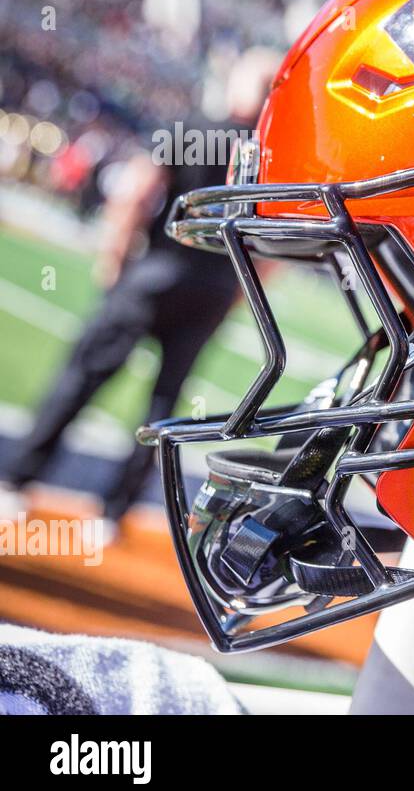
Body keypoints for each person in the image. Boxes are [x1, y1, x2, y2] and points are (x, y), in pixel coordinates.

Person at [0, 49, 277, 534]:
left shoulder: (192, 128)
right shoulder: (269, 158)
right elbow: (271, 243)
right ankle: (113, 510)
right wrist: (237, 294)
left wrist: (115, 257)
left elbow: (135, 191)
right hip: (213, 287)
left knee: (84, 374)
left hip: (157, 270)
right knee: (164, 404)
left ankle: (18, 479)